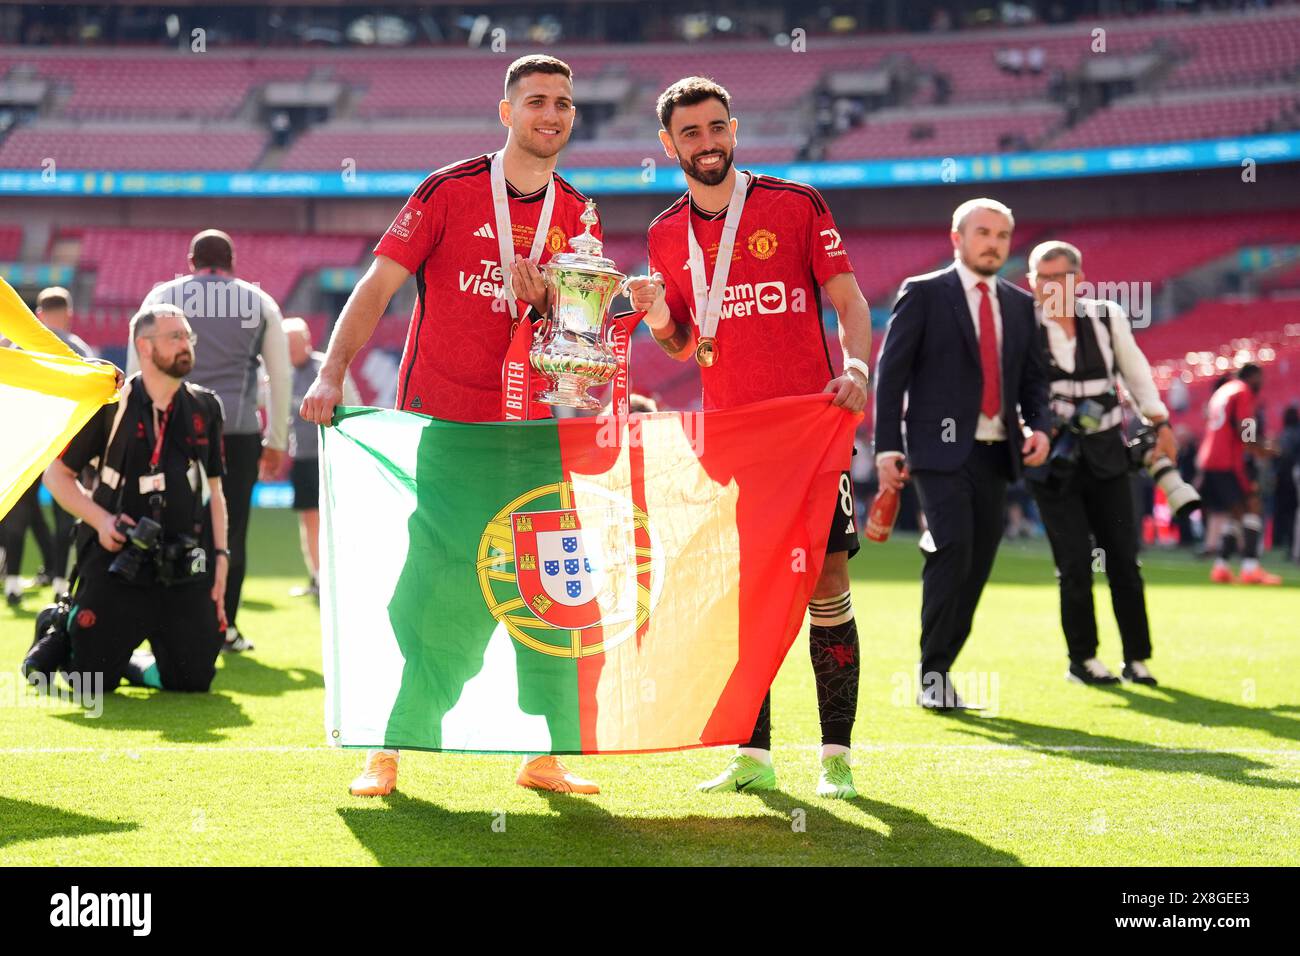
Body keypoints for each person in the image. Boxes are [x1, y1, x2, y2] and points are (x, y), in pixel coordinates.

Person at [300, 54, 604, 798]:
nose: (552, 114)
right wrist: (331, 372)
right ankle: (388, 748)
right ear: (506, 112)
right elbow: (377, 287)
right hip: (451, 430)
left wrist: (549, 315)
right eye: (536, 101)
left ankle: (546, 753)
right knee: (437, 593)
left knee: (551, 594)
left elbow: (578, 340)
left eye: (564, 103)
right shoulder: (447, 190)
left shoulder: (580, 213)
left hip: (532, 437)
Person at [630, 76, 873, 799]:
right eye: (691, 133)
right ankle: (753, 753)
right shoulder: (665, 232)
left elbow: (850, 300)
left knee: (828, 583)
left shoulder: (794, 205)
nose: (707, 143)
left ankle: (835, 758)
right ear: (668, 144)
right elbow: (684, 345)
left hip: (808, 436)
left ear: (734, 130)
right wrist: (653, 318)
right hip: (731, 443)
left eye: (717, 128)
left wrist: (857, 366)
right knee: (746, 594)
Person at [873, 198, 1052, 710]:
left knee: (977, 560)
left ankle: (942, 666)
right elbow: (893, 375)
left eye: (1001, 235)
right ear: (958, 238)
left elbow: (1035, 380)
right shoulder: (924, 293)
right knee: (954, 548)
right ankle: (933, 675)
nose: (993, 243)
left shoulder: (1021, 305)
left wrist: (1039, 427)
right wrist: (887, 446)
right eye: (983, 233)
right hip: (937, 451)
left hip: (998, 454)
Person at [29, 304, 229, 692]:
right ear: (145, 346)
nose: (185, 345)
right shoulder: (110, 405)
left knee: (193, 678)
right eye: (175, 337)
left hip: (180, 559)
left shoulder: (206, 406)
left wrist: (220, 558)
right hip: (117, 557)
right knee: (88, 680)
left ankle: (133, 665)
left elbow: (217, 492)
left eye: (188, 336)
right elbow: (56, 476)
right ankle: (59, 624)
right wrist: (101, 521)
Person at [127, 229, 289, 653]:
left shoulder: (163, 294)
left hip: (171, 427)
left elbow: (136, 361)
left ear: (191, 259)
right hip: (235, 431)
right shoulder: (260, 301)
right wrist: (276, 440)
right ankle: (224, 627)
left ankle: (161, 623)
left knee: (163, 524)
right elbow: (280, 374)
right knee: (230, 532)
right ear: (232, 261)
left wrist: (134, 423)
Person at [1024, 240, 1175, 686]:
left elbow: (1136, 371)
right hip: (1053, 462)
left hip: (1109, 454)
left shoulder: (1107, 316)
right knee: (1073, 565)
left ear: (1079, 279)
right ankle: (1083, 659)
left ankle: (1137, 658)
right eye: (1042, 278)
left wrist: (1159, 421)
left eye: (1060, 277)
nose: (1051, 287)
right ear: (1030, 283)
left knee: (1124, 560)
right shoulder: (1021, 326)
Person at [2, 287, 96, 605]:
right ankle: (60, 583)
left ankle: (12, 582)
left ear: (38, 315)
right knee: (65, 513)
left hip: (26, 436)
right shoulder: (81, 349)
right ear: (69, 314)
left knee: (19, 510)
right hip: (66, 440)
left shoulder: (15, 345)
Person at [284, 317, 360, 598]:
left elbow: (353, 404)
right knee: (309, 519)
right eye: (284, 345)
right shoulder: (283, 374)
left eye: (293, 343)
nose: (289, 350)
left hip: (331, 456)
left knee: (340, 518)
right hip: (302, 457)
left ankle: (345, 576)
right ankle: (317, 579)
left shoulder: (326, 369)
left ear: (306, 340)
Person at [1198, 364, 1282, 585]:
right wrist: (1265, 448)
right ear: (1251, 377)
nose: (1261, 384)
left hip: (1211, 459)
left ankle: (1221, 567)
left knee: (1236, 512)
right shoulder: (1242, 391)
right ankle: (1250, 568)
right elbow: (1245, 432)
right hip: (1229, 461)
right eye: (1259, 378)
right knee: (1252, 505)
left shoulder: (1223, 391)